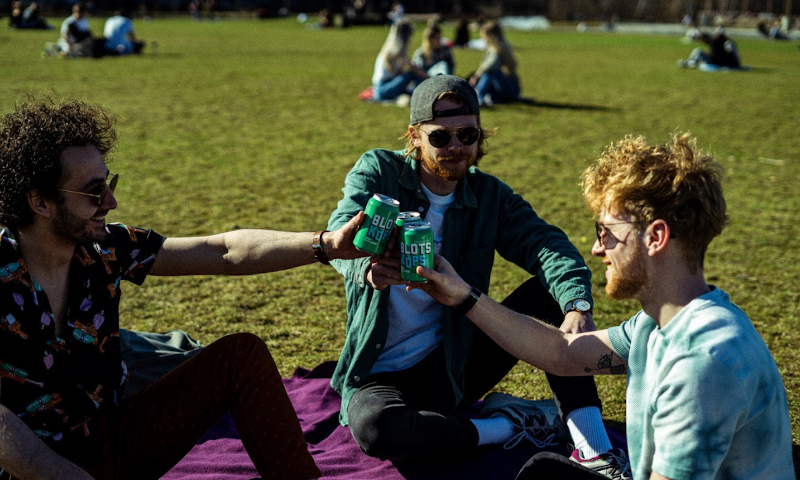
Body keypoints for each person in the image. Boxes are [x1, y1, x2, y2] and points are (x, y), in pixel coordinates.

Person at [0, 98, 370, 480]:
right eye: (94, 192)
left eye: (108, 184)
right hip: (29, 469)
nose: (111, 202)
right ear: (39, 201)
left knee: (240, 357)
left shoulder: (106, 249)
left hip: (109, 440)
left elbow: (224, 251)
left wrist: (325, 245)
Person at [411, 133, 795, 479]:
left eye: (607, 233)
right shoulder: (658, 325)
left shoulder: (703, 362)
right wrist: (463, 296)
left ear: (656, 237)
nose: (597, 249)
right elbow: (563, 354)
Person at [327, 75, 620, 475]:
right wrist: (364, 267)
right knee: (377, 429)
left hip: (459, 363)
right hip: (382, 371)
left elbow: (548, 245)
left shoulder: (489, 196)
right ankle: (508, 425)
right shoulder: (379, 170)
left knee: (553, 295)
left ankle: (594, 450)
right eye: (440, 138)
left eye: (467, 134)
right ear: (414, 136)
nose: (455, 148)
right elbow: (340, 235)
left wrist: (577, 306)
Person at [371, 19, 428, 102]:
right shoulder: (394, 54)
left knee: (410, 76)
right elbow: (414, 69)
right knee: (412, 74)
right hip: (382, 89)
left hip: (381, 87)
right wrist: (428, 77)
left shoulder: (389, 51)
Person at [469, 21, 521, 106]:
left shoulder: (499, 48)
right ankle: (482, 95)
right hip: (500, 89)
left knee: (492, 71)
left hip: (510, 90)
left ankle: (479, 96)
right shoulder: (494, 47)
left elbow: (491, 64)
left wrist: (477, 75)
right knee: (491, 71)